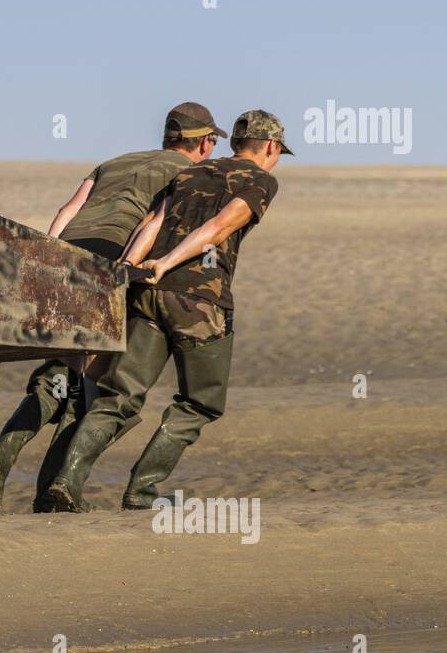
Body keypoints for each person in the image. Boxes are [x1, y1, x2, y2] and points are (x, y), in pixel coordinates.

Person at [0, 103, 226, 513]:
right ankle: (55, 494)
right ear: (204, 143)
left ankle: (3, 454)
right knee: (90, 384)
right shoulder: (189, 173)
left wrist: (48, 259)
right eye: (212, 142)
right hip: (113, 258)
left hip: (68, 254)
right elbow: (153, 225)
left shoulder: (115, 161)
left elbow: (67, 211)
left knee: (66, 367)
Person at [40, 109, 291, 513]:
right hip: (199, 301)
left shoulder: (192, 173)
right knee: (201, 402)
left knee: (119, 396)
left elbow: (151, 224)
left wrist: (129, 268)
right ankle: (141, 492)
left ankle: (66, 481)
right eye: (278, 152)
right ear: (271, 147)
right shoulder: (262, 180)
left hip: (148, 294)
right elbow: (220, 227)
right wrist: (168, 261)